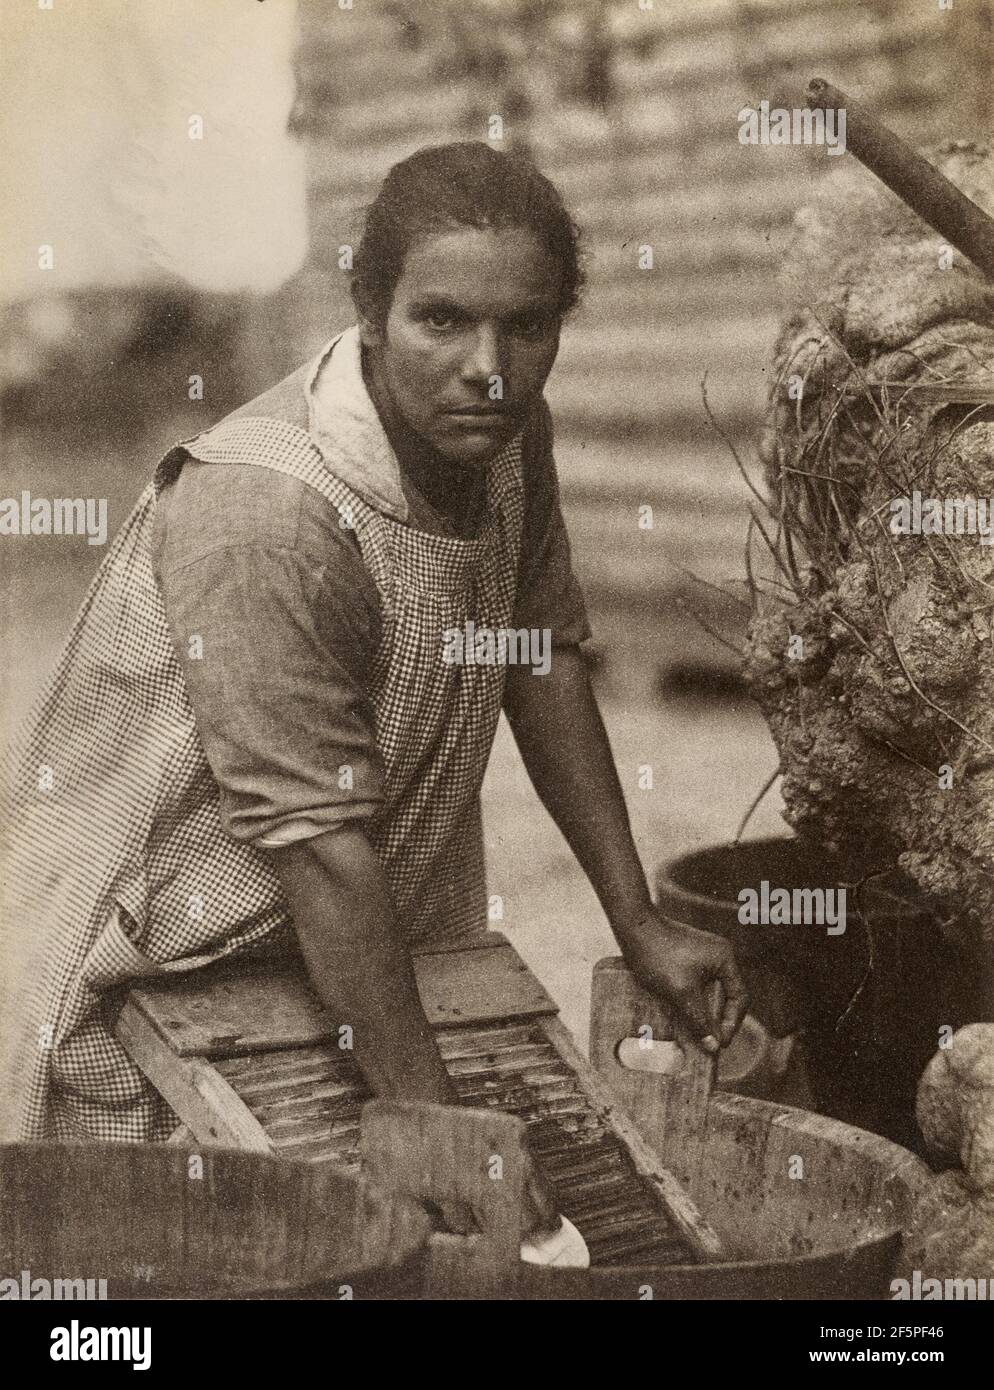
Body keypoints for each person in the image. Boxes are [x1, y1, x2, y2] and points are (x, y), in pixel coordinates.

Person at [0, 142, 746, 1238]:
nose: (487, 365)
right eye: (440, 320)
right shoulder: (267, 515)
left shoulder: (500, 432)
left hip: (337, 965)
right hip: (148, 985)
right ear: (368, 309)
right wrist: (428, 1116)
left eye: (526, 327)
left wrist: (636, 918)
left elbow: (537, 655)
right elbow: (317, 843)